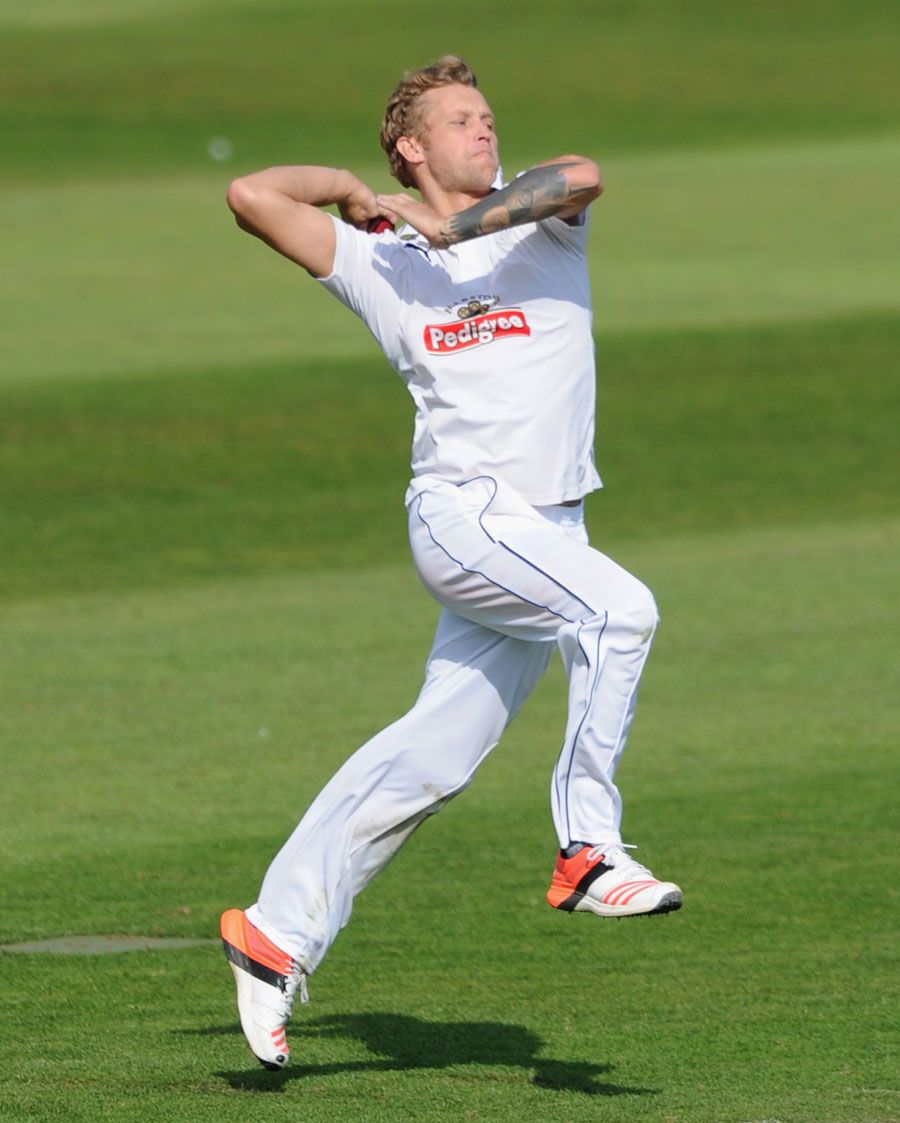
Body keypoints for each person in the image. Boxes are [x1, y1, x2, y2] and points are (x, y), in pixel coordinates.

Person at [220, 54, 682, 1071]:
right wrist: (349, 192)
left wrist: (455, 223)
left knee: (429, 759)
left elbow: (585, 171)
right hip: (467, 516)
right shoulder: (381, 265)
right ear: (411, 148)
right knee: (621, 614)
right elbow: (252, 196)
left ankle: (274, 933)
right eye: (461, 122)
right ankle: (587, 848)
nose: (486, 132)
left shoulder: (539, 222)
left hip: (548, 537)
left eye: (488, 118)